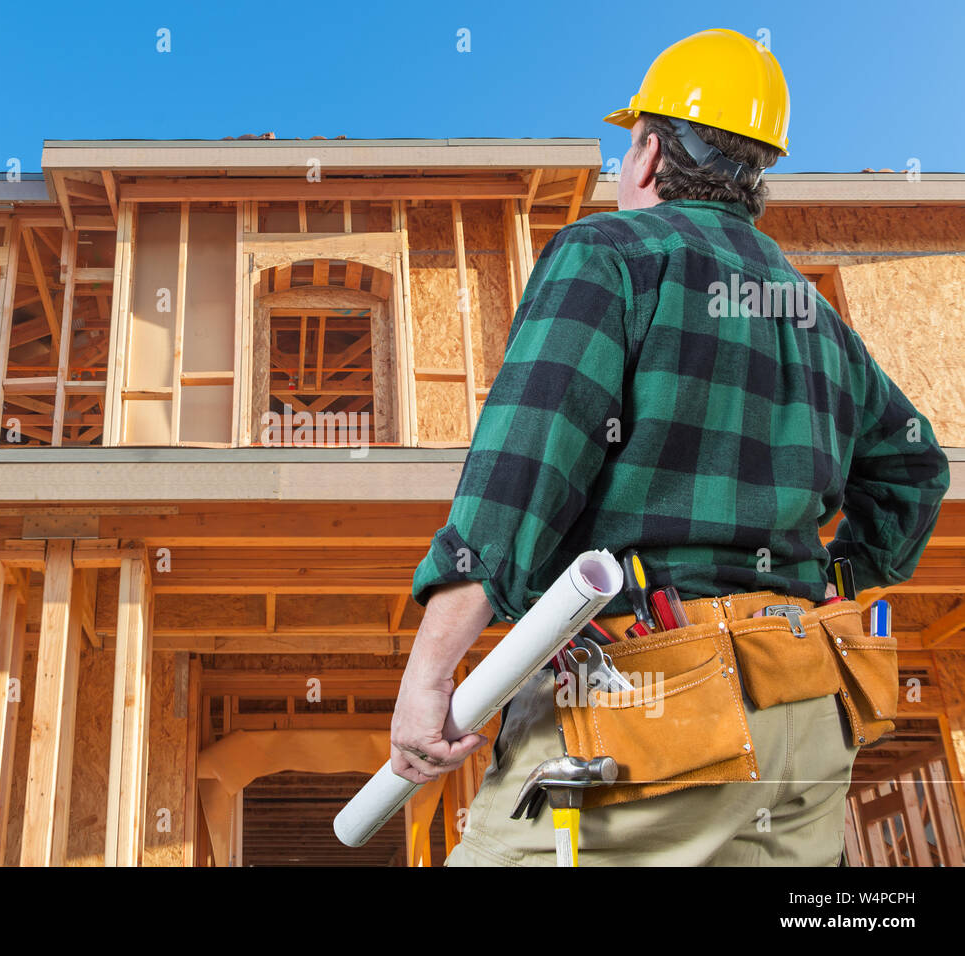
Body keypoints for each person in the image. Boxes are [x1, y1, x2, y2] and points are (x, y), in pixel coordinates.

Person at [390, 27, 950, 865]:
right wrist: (824, 583)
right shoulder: (815, 317)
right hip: (806, 706)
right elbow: (915, 468)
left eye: (629, 146)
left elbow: (526, 460)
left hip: (650, 701)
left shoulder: (608, 255)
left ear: (649, 153)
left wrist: (433, 668)